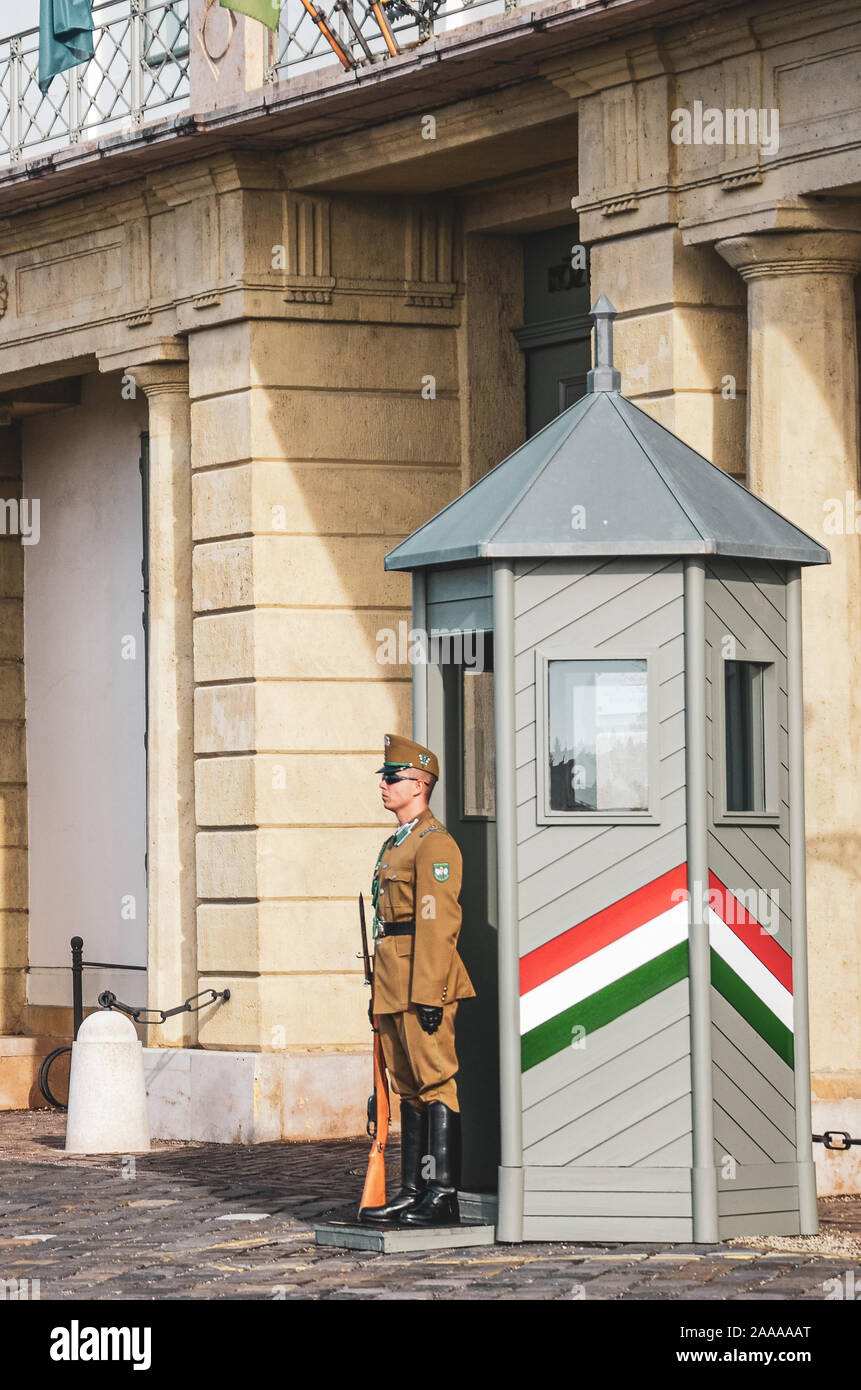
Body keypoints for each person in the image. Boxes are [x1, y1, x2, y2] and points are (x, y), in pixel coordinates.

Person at [359, 734, 475, 1227]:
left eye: (393, 777)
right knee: (407, 1087)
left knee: (435, 1083)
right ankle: (413, 1190)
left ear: (420, 784)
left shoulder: (435, 845)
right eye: (384, 777)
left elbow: (438, 925)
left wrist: (429, 993)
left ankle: (442, 1195)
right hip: (393, 981)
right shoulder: (396, 844)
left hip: (423, 982)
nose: (384, 785)